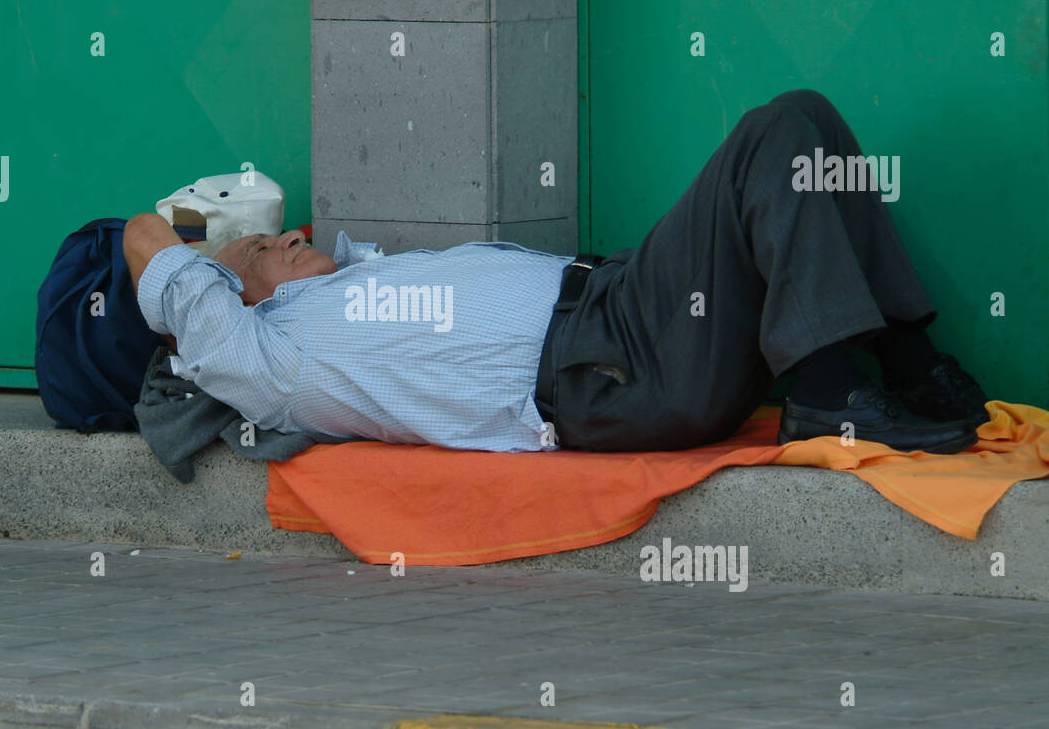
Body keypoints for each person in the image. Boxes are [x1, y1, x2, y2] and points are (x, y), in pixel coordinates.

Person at [124, 90, 988, 455]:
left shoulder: (345, 287)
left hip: (622, 308)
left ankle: (906, 362)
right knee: (772, 138)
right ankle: (830, 398)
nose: (285, 239)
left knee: (805, 122)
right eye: (265, 253)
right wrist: (220, 247)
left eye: (278, 238)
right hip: (616, 368)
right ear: (225, 300)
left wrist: (258, 257)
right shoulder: (265, 361)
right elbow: (138, 238)